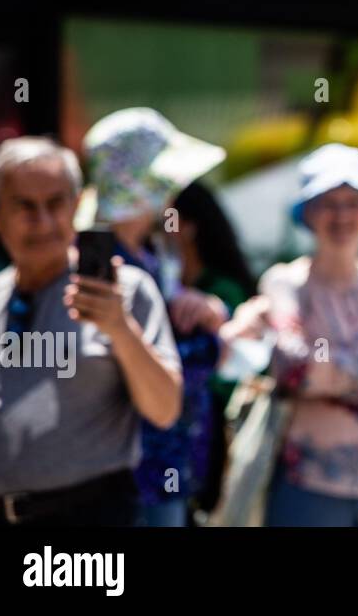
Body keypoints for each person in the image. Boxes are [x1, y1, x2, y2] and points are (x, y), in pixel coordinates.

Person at [220, 143, 358, 526]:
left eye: (352, 202)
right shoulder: (285, 283)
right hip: (311, 487)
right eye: (328, 203)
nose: (341, 215)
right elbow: (293, 368)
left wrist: (330, 373)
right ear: (308, 212)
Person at [0, 136, 181, 526]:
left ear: (77, 205)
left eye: (56, 203)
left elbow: (165, 409)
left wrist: (120, 330)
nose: (44, 222)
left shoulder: (124, 292)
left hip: (87, 516)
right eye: (25, 206)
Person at [81, 107, 228, 527]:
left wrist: (211, 310)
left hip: (168, 466)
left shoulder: (155, 255)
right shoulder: (102, 264)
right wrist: (212, 341)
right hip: (129, 476)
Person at [168, 180, 257, 521]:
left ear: (187, 226)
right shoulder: (166, 284)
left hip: (210, 443)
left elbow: (231, 376)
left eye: (166, 215)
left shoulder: (221, 291)